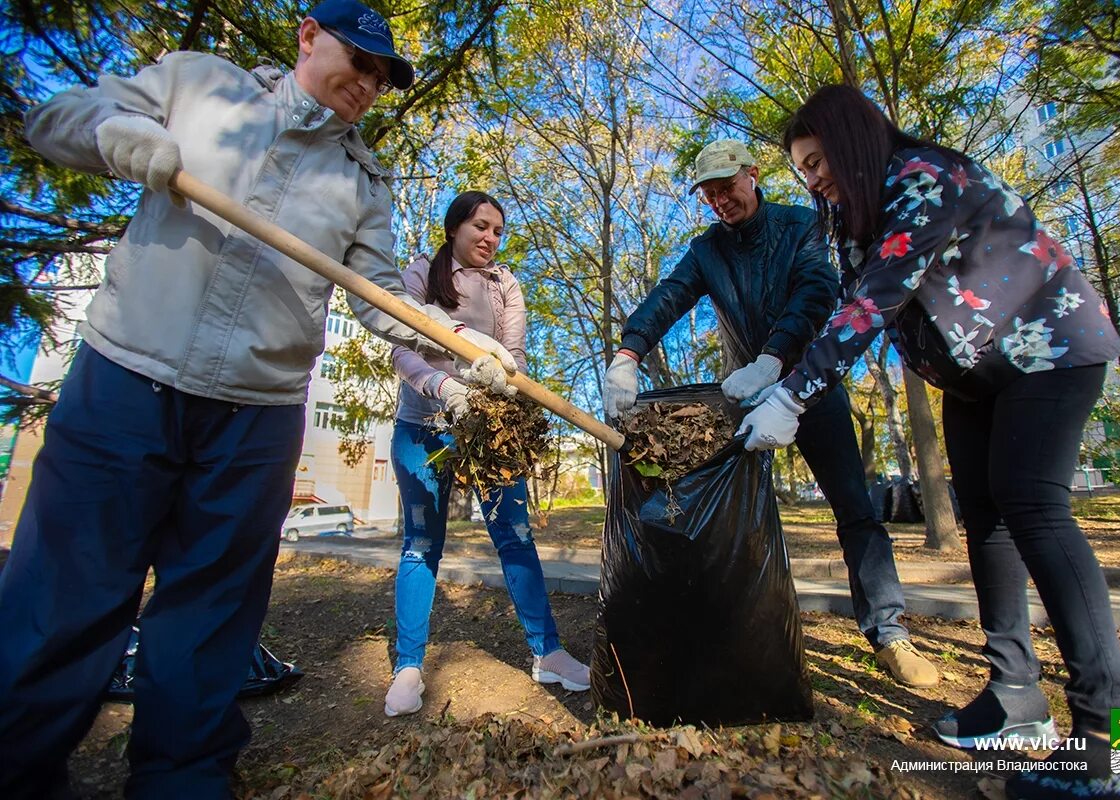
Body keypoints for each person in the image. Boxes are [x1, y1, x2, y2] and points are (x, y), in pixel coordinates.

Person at [0, 3, 518, 798]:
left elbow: (380, 296)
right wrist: (117, 136)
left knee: (211, 619)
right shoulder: (199, 85)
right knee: (66, 596)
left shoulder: (362, 179)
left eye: (383, 77)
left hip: (257, 416)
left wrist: (461, 343)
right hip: (126, 385)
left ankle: (183, 778)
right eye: (362, 61)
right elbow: (56, 116)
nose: (370, 84)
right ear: (309, 35)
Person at [741, 84, 1120, 800]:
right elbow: (853, 295)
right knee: (988, 519)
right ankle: (1016, 700)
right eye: (803, 168)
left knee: (1035, 510)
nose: (812, 178)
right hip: (979, 376)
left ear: (854, 141)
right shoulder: (853, 217)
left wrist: (794, 393)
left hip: (1052, 348)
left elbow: (875, 299)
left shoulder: (924, 180)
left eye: (818, 161)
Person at [602, 139, 940, 688]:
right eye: (708, 192)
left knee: (855, 508)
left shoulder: (801, 225)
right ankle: (737, 624)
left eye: (726, 186)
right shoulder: (707, 250)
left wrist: (772, 359)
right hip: (744, 401)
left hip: (810, 385)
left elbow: (816, 291)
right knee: (737, 517)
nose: (719, 200)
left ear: (752, 175)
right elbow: (669, 295)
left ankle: (889, 633)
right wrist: (628, 353)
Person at [383, 191, 590, 716]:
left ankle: (549, 653)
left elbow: (514, 356)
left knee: (516, 540)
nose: (490, 239)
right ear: (455, 226)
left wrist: (500, 386)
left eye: (498, 231)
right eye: (481, 226)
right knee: (421, 544)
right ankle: (408, 666)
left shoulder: (505, 285)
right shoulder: (420, 272)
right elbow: (400, 346)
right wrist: (442, 387)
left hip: (487, 430)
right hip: (422, 427)